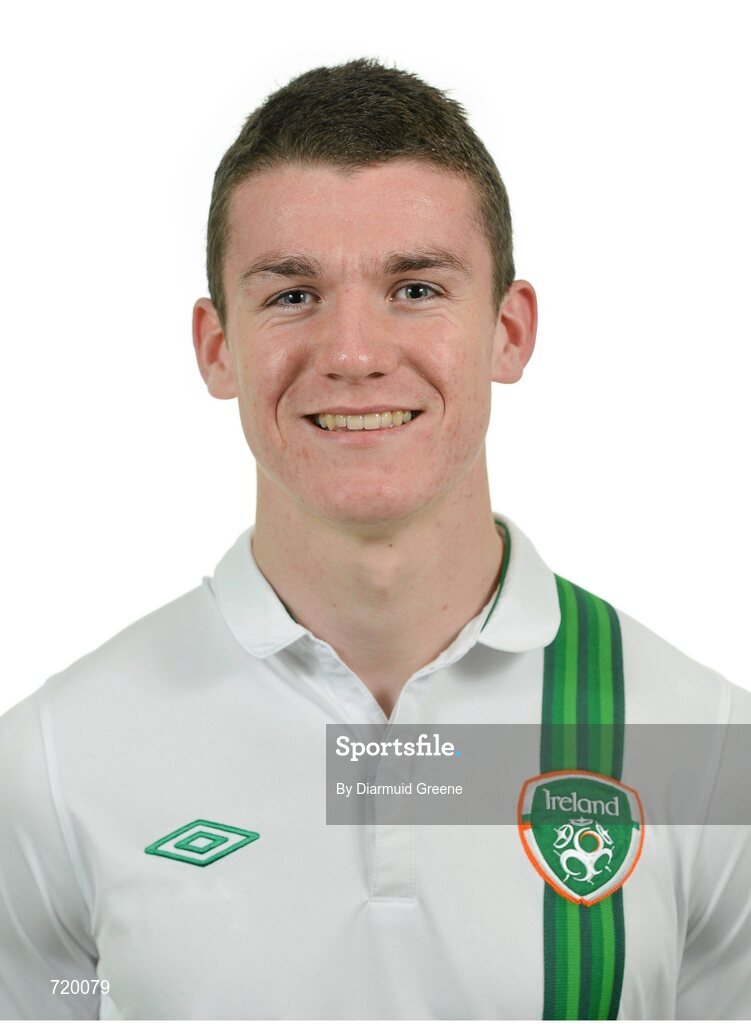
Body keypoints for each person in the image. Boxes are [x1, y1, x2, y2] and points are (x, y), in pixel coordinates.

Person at [1, 57, 749, 1021]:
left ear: (509, 331)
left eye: (416, 288)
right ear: (217, 348)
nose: (353, 354)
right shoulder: (54, 763)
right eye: (291, 295)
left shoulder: (704, 750)